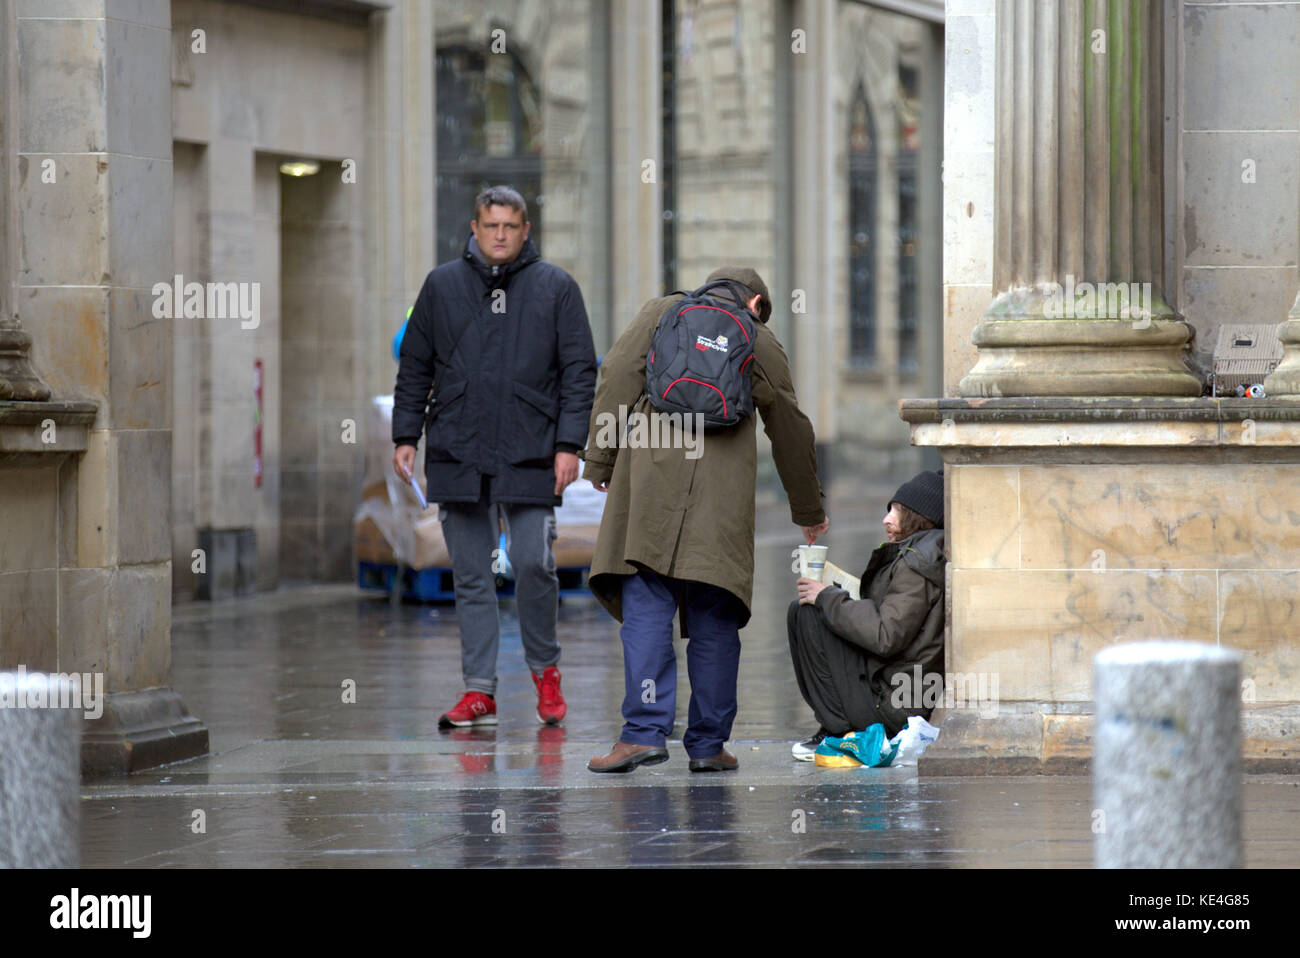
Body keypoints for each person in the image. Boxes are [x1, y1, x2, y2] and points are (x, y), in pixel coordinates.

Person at [581, 266, 828, 773]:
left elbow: (615, 379)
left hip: (650, 484)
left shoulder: (661, 313)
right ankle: (708, 745)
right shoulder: (759, 341)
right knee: (715, 617)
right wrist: (808, 509)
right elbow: (790, 426)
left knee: (648, 603)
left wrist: (599, 460)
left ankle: (642, 734)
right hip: (721, 499)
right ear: (756, 303)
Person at [392, 185, 597, 729]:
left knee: (534, 562)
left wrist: (569, 445)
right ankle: (479, 690)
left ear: (525, 230)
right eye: (491, 226)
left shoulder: (556, 288)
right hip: (460, 446)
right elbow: (415, 364)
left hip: (531, 449)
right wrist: (405, 435)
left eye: (510, 226)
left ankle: (545, 669)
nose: (500, 235)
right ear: (475, 229)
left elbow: (580, 372)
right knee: (472, 576)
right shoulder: (442, 286)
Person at [786, 469, 946, 760]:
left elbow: (886, 636)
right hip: (898, 690)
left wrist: (829, 597)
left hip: (895, 708)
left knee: (807, 613)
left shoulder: (917, 563)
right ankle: (838, 725)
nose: (886, 519)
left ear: (921, 517)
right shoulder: (924, 552)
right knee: (807, 609)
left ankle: (839, 731)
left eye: (898, 511)